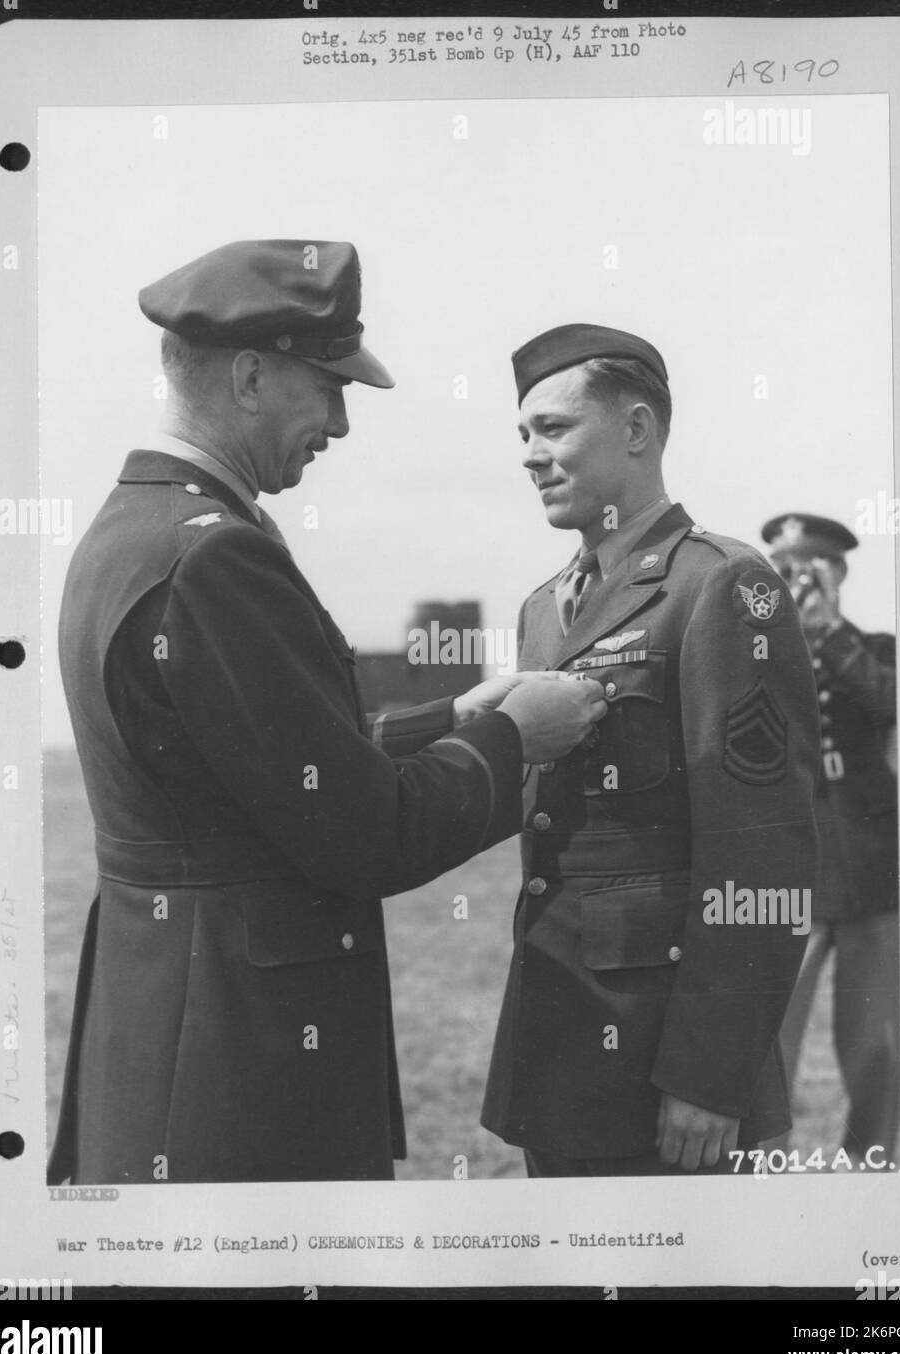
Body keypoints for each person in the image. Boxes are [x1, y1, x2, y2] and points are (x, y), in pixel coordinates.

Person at [48, 241, 605, 1185]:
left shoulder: (134, 529)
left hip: (166, 1038)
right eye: (331, 389)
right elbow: (365, 833)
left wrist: (451, 716)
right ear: (253, 376)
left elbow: (251, 768)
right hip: (237, 1065)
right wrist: (517, 740)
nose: (342, 425)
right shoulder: (217, 559)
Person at [481, 323, 822, 1176]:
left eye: (554, 428)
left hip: (669, 1062)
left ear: (636, 430)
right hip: (561, 1040)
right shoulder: (541, 609)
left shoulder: (721, 585)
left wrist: (710, 1074)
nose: (530, 454)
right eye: (522, 433)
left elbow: (763, 854)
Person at [762, 513, 900, 1162]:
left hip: (873, 869)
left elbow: (890, 702)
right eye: (781, 571)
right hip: (789, 872)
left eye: (808, 571)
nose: (795, 584)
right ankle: (765, 1160)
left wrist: (832, 629)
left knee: (877, 1042)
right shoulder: (756, 653)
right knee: (768, 1038)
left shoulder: (876, 647)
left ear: (838, 573)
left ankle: (869, 1163)